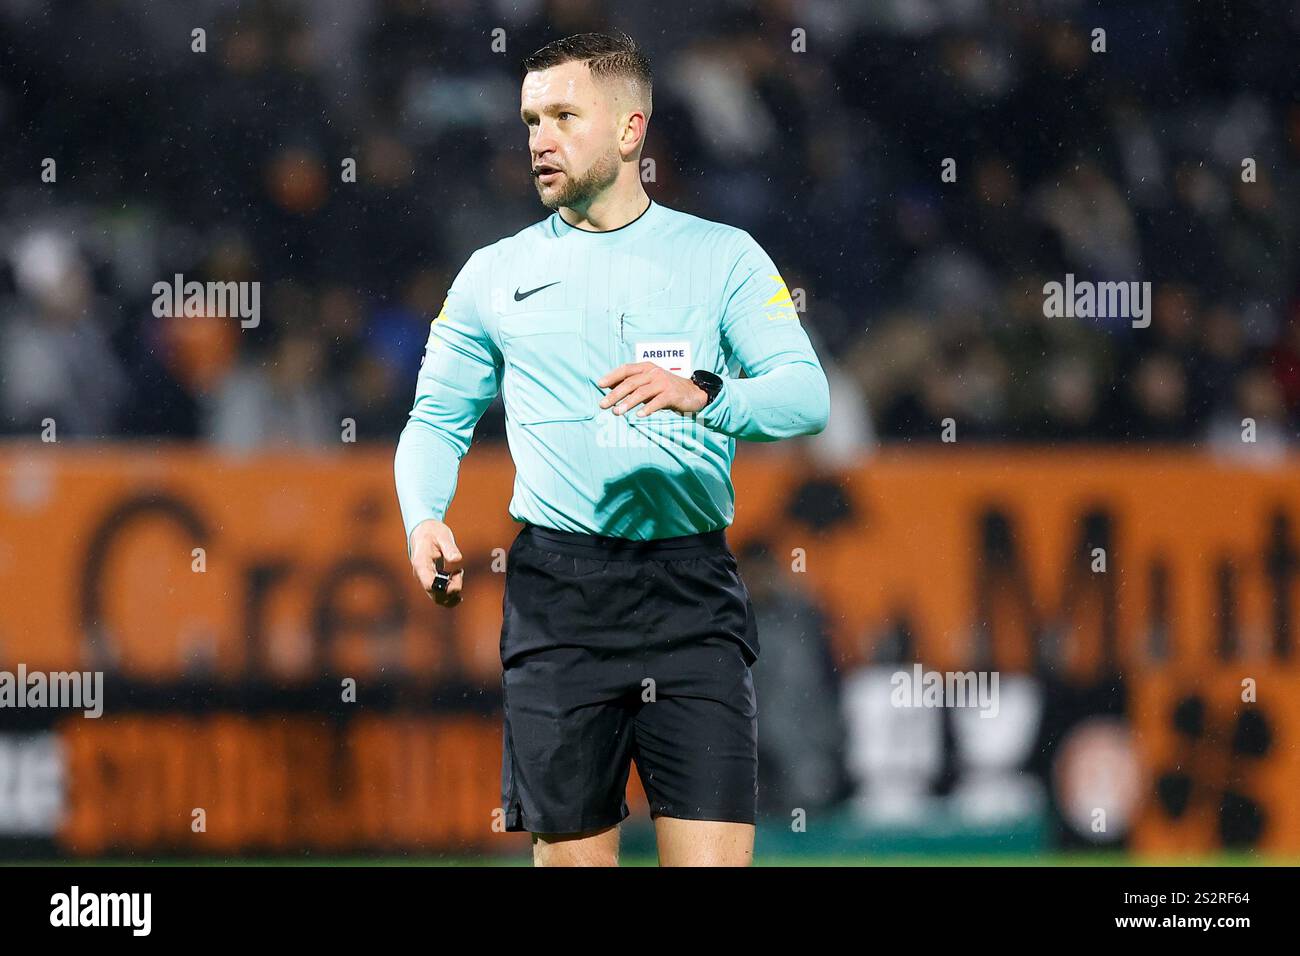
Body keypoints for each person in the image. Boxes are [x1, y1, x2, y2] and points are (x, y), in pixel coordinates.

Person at [393, 31, 829, 866]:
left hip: (691, 598)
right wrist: (424, 520)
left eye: (564, 115)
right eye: (530, 120)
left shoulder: (721, 257)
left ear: (631, 131)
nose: (539, 139)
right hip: (560, 602)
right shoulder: (493, 273)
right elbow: (435, 420)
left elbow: (807, 396)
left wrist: (712, 395)